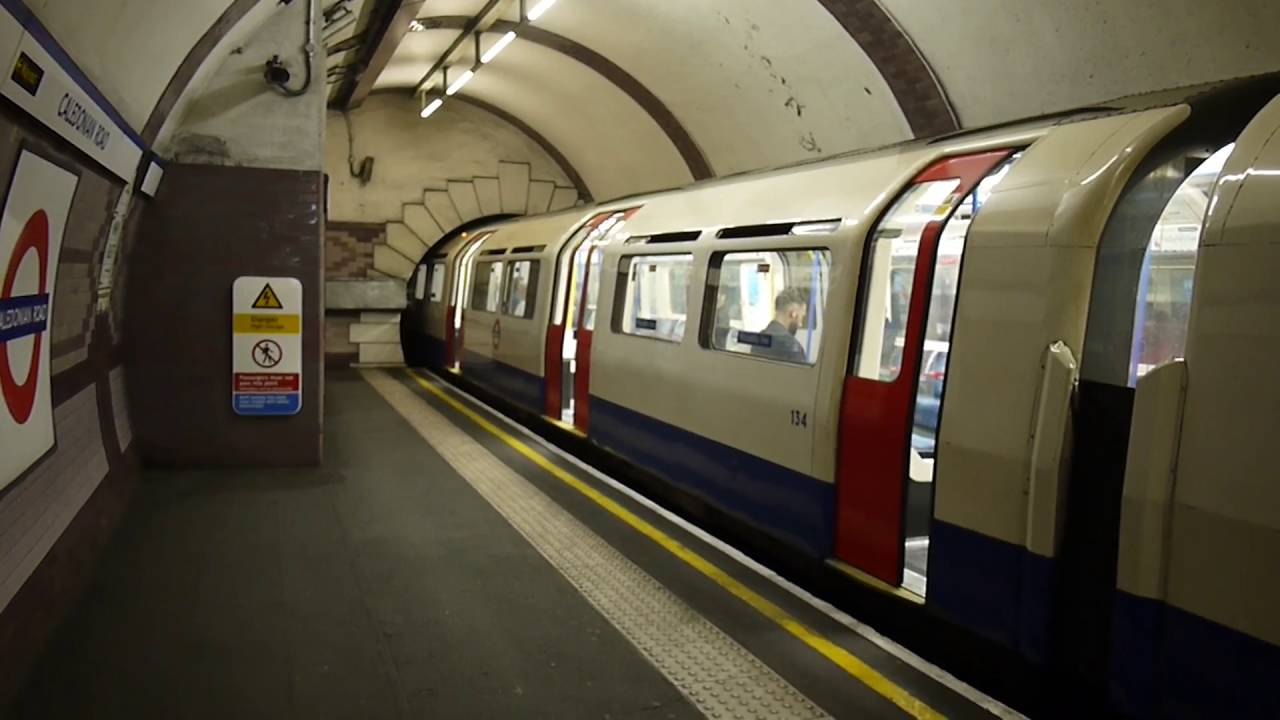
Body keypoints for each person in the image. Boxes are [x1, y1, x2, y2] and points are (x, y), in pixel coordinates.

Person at [750, 286, 809, 363]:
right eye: (801, 317)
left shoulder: (757, 341)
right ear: (793, 314)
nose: (800, 324)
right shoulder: (793, 349)